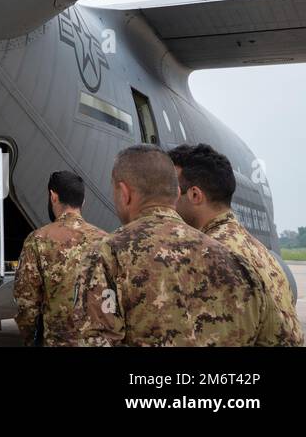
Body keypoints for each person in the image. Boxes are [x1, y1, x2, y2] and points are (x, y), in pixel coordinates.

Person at [73, 145, 261, 346]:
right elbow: (280, 338)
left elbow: (94, 340)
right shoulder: (236, 259)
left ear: (124, 193)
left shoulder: (105, 256)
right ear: (177, 192)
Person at [170, 143, 303, 347]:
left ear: (195, 195)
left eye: (172, 191)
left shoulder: (212, 256)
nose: (166, 200)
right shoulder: (253, 247)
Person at [13, 171, 107, 346]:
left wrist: (31, 339)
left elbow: (26, 302)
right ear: (83, 201)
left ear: (53, 196)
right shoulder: (106, 240)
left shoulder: (38, 240)